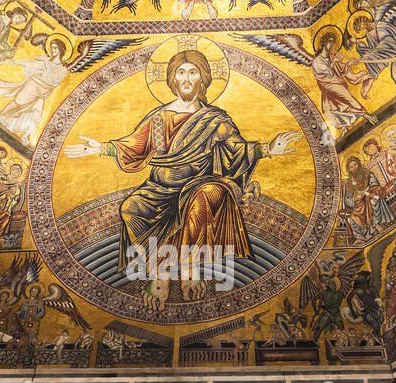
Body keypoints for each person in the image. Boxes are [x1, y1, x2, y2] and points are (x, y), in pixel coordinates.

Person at [64, 49, 298, 272]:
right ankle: (155, 265)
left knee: (201, 197)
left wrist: (267, 149)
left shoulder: (214, 119)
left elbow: (236, 149)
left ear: (202, 79)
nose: (186, 79)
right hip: (160, 189)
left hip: (201, 184)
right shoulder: (159, 118)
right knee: (129, 208)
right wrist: (102, 148)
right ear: (173, 79)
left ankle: (189, 268)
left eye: (193, 72)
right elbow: (136, 146)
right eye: (181, 72)